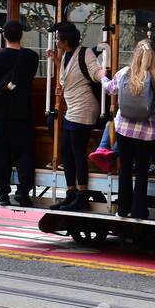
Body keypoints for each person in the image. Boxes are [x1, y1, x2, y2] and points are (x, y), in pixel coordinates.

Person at [103, 40, 155, 220]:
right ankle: (139, 210)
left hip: (124, 128)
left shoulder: (123, 73)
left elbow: (109, 89)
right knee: (142, 171)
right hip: (147, 131)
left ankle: (123, 209)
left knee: (125, 168)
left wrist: (102, 76)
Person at [0, 20, 39, 207]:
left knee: (1, 153)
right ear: (21, 35)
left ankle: (3, 194)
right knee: (24, 152)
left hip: (1, 113)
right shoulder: (31, 57)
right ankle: (24, 192)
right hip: (23, 111)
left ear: (4, 36)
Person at [52, 21, 106, 210]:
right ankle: (71, 192)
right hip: (72, 110)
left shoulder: (86, 53)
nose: (56, 40)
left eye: (58, 38)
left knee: (77, 152)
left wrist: (104, 76)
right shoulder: (66, 54)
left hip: (84, 109)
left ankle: (82, 195)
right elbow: (67, 76)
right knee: (66, 151)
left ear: (65, 40)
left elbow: (94, 71)